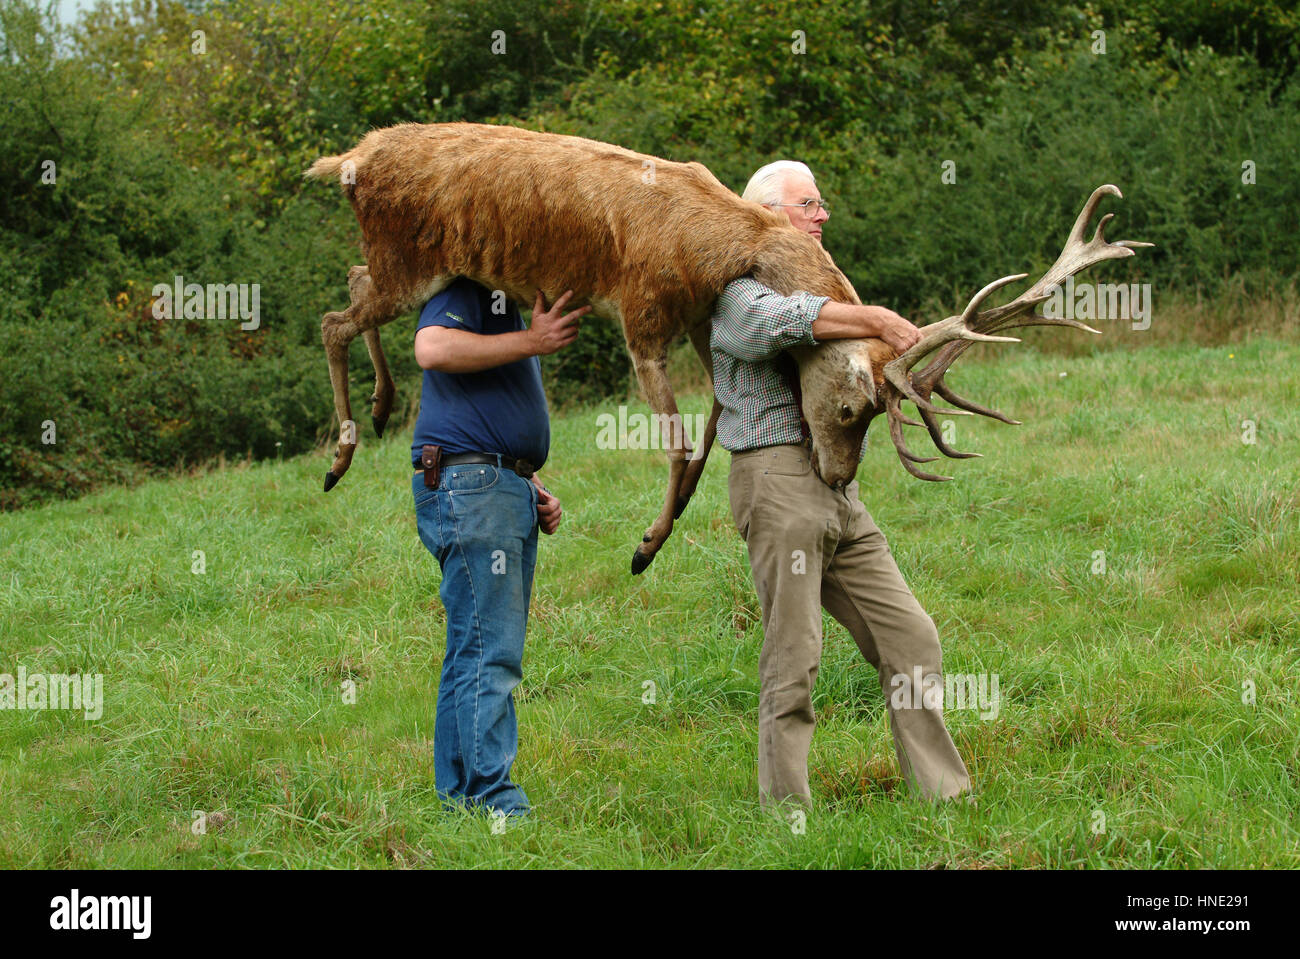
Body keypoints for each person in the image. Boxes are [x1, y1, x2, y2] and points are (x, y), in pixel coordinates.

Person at [712, 160, 972, 810]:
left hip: (835, 489)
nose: (823, 213)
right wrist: (878, 317)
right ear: (771, 214)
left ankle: (944, 797)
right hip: (775, 481)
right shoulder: (729, 283)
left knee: (911, 637)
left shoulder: (817, 279)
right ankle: (788, 818)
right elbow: (767, 325)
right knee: (793, 657)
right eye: (810, 203)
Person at [411, 277, 589, 816]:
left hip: (492, 485)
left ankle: (461, 797)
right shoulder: (472, 286)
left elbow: (491, 417)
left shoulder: (507, 306)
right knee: (491, 650)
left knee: (474, 646)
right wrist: (532, 341)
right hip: (472, 487)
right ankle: (492, 800)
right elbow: (432, 347)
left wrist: (528, 483)